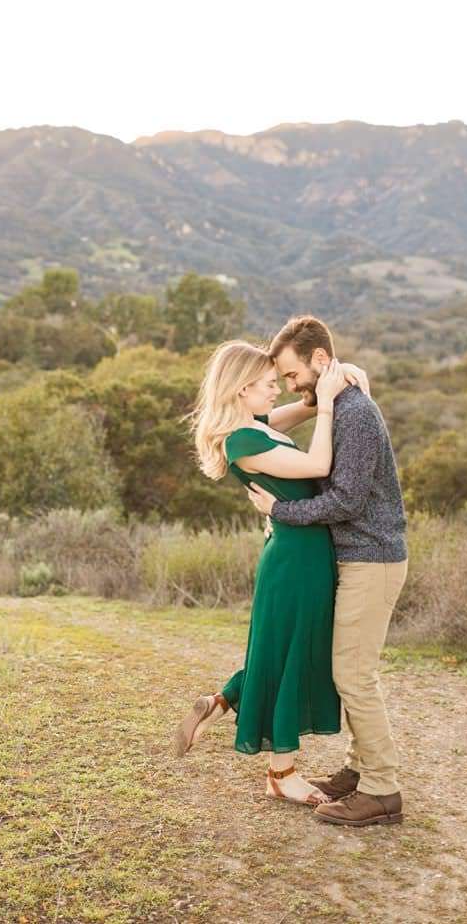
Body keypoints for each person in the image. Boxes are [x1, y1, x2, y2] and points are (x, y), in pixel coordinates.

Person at [172, 339, 363, 807]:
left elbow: (302, 405)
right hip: (295, 560)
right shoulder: (243, 442)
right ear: (241, 390)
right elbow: (319, 463)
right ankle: (282, 771)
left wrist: (333, 378)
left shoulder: (258, 425)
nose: (276, 390)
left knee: (284, 647)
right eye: (267, 384)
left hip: (303, 552)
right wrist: (328, 411)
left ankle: (222, 701)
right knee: (292, 652)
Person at [247, 314, 409, 827]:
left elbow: (344, 499)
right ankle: (360, 772)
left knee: (354, 677)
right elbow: (259, 428)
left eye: (293, 376)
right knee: (353, 673)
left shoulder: (356, 413)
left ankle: (382, 791)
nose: (290, 387)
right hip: (354, 558)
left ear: (320, 360)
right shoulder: (337, 404)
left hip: (372, 558)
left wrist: (278, 511)